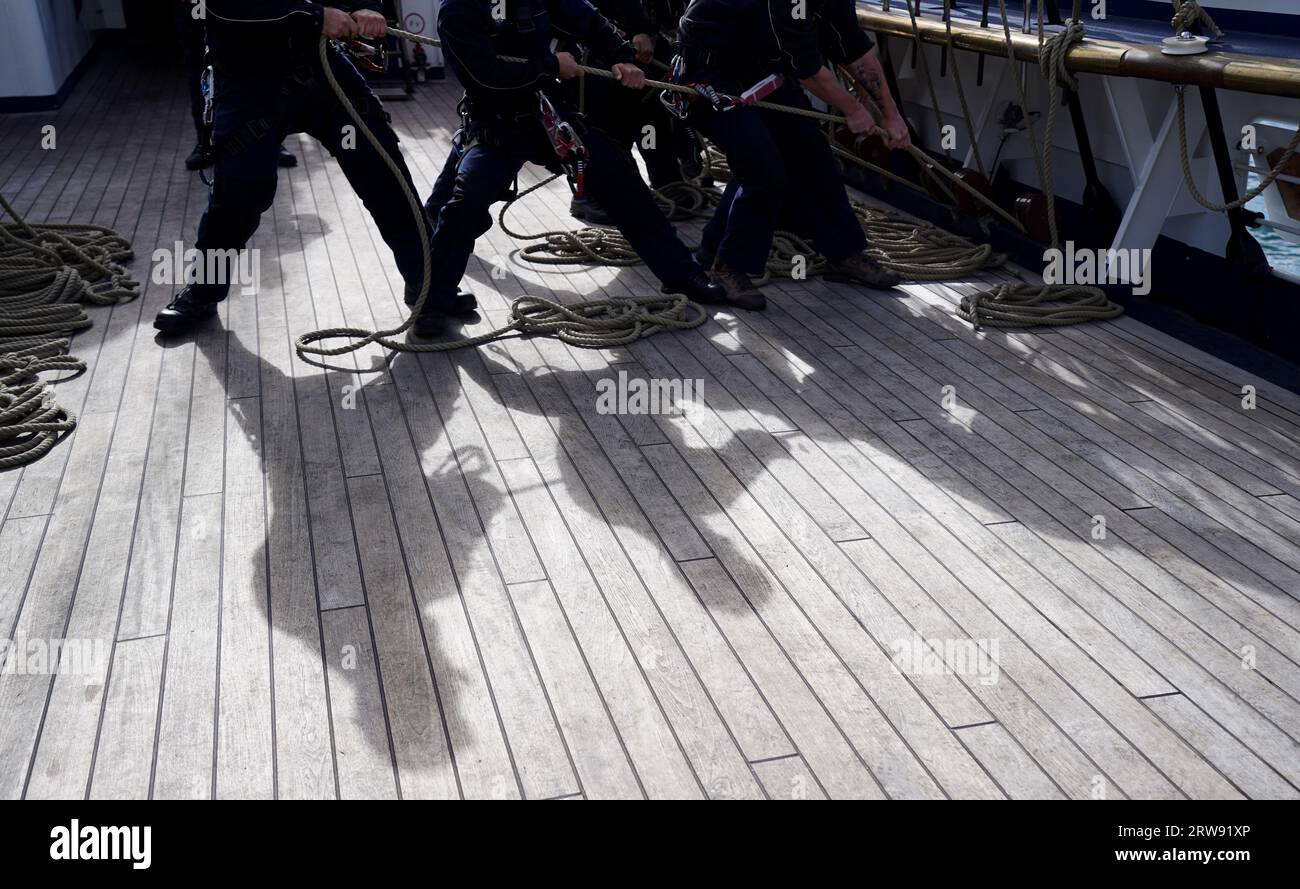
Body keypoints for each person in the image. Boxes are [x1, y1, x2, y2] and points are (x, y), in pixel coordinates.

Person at [414, 0, 740, 338]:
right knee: (464, 207)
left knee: (624, 188)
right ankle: (434, 302)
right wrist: (550, 65)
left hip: (550, 114)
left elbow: (589, 21)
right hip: (496, 124)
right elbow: (484, 77)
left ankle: (683, 277)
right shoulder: (457, 9)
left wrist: (621, 57)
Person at [155, 1, 438, 334]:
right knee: (239, 194)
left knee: (382, 169)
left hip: (319, 71)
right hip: (250, 80)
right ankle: (203, 293)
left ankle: (428, 284)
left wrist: (363, 6)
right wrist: (315, 16)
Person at [677, 0, 911, 306]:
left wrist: (892, 116)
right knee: (762, 168)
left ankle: (843, 254)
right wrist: (853, 109)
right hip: (711, 72)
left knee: (813, 156)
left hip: (767, 70)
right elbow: (810, 72)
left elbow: (854, 47)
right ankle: (727, 266)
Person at [173, 0, 297, 172]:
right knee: (200, 73)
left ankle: (272, 140)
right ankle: (204, 142)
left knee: (257, 68)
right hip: (196, 6)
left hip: (236, 12)